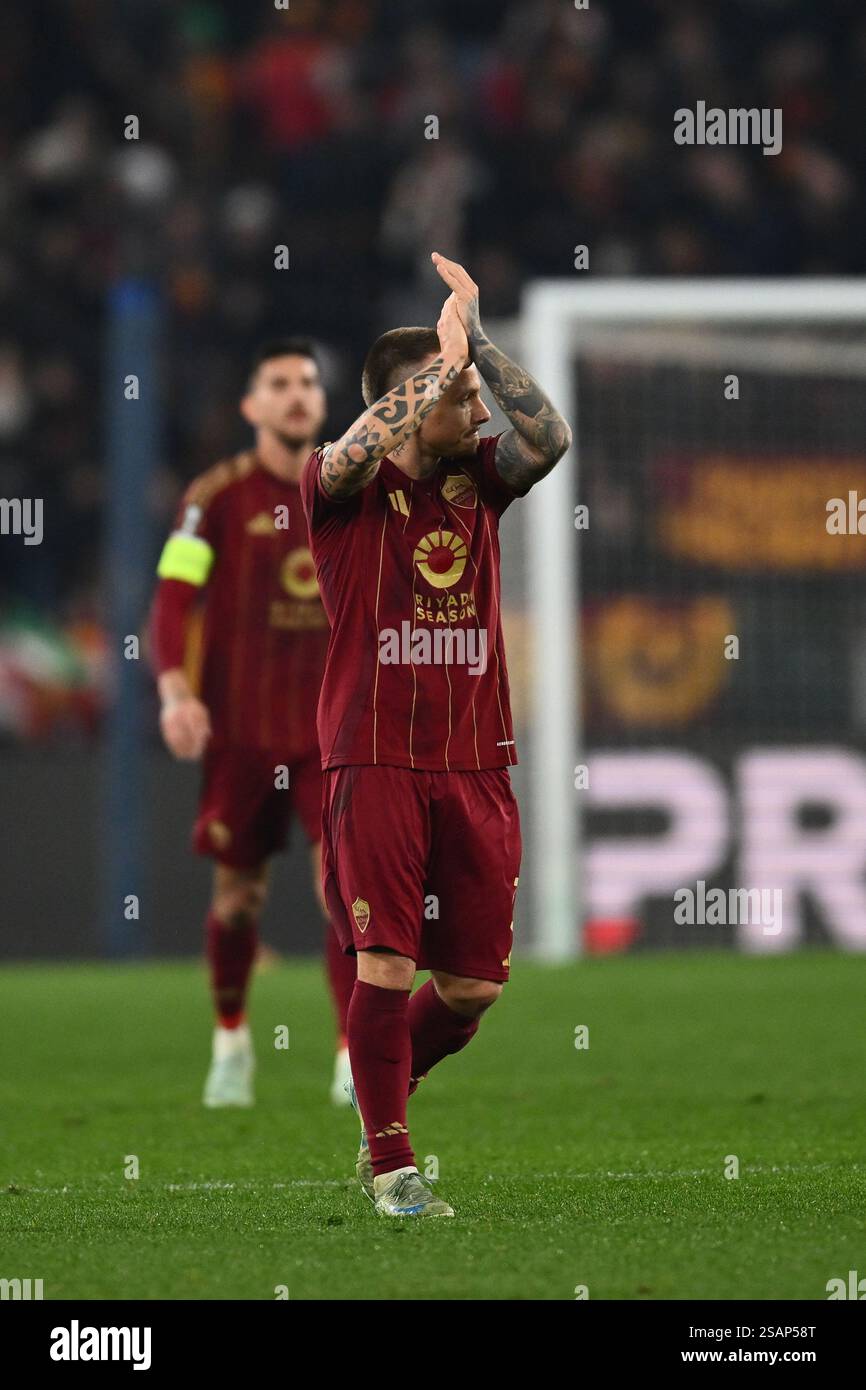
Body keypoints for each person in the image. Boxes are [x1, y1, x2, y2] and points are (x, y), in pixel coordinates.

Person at [301, 254, 572, 1215]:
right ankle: (393, 1169)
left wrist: (480, 344)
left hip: (477, 763)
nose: (479, 412)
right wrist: (430, 374)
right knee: (384, 963)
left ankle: (380, 1092)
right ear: (411, 404)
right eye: (462, 395)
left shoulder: (480, 485)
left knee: (468, 992)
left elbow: (552, 438)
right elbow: (345, 453)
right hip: (373, 759)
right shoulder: (341, 495)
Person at [150, 340, 356, 1108]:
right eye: (279, 384)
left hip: (335, 730)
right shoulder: (217, 496)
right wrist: (175, 690)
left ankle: (348, 1056)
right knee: (239, 897)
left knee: (343, 889)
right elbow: (173, 596)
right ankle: (232, 1040)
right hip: (241, 731)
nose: (297, 394)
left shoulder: (348, 484)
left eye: (308, 382)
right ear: (251, 406)